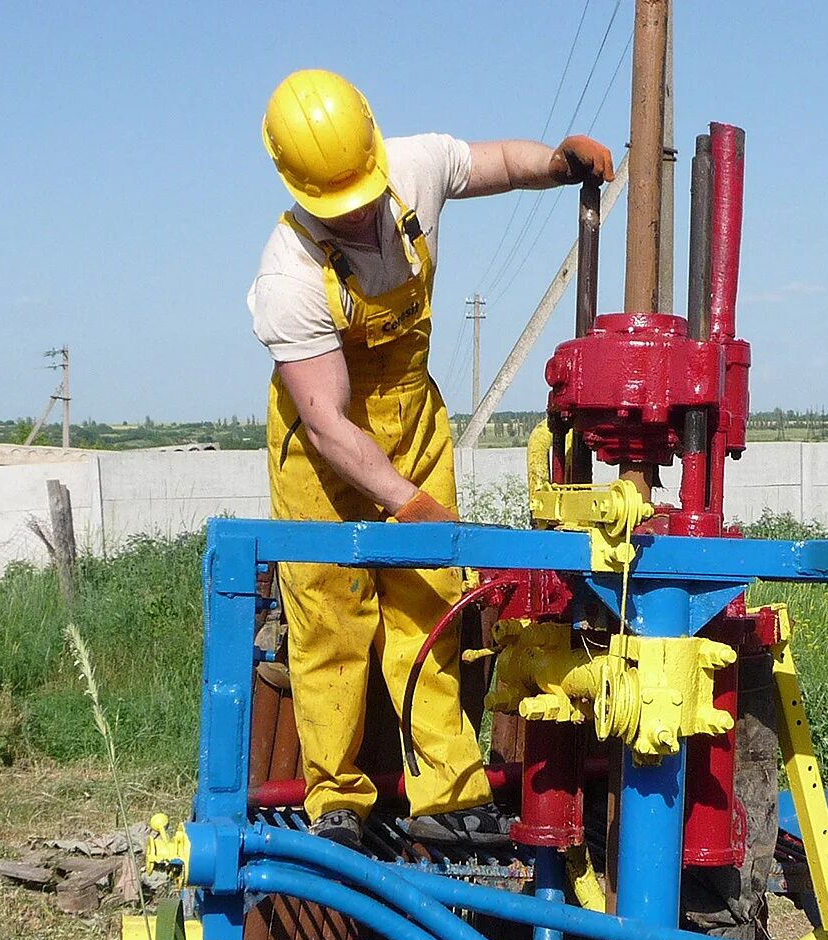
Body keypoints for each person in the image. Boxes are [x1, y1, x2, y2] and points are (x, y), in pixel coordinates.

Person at [247, 70, 614, 849]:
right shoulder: (287, 277)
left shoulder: (412, 167)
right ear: (301, 193)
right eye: (335, 204)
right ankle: (336, 798)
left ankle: (445, 793)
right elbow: (328, 423)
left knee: (429, 603)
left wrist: (555, 163)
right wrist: (406, 502)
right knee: (330, 615)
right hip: (324, 454)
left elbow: (493, 164)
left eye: (360, 191)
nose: (354, 210)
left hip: (412, 419)